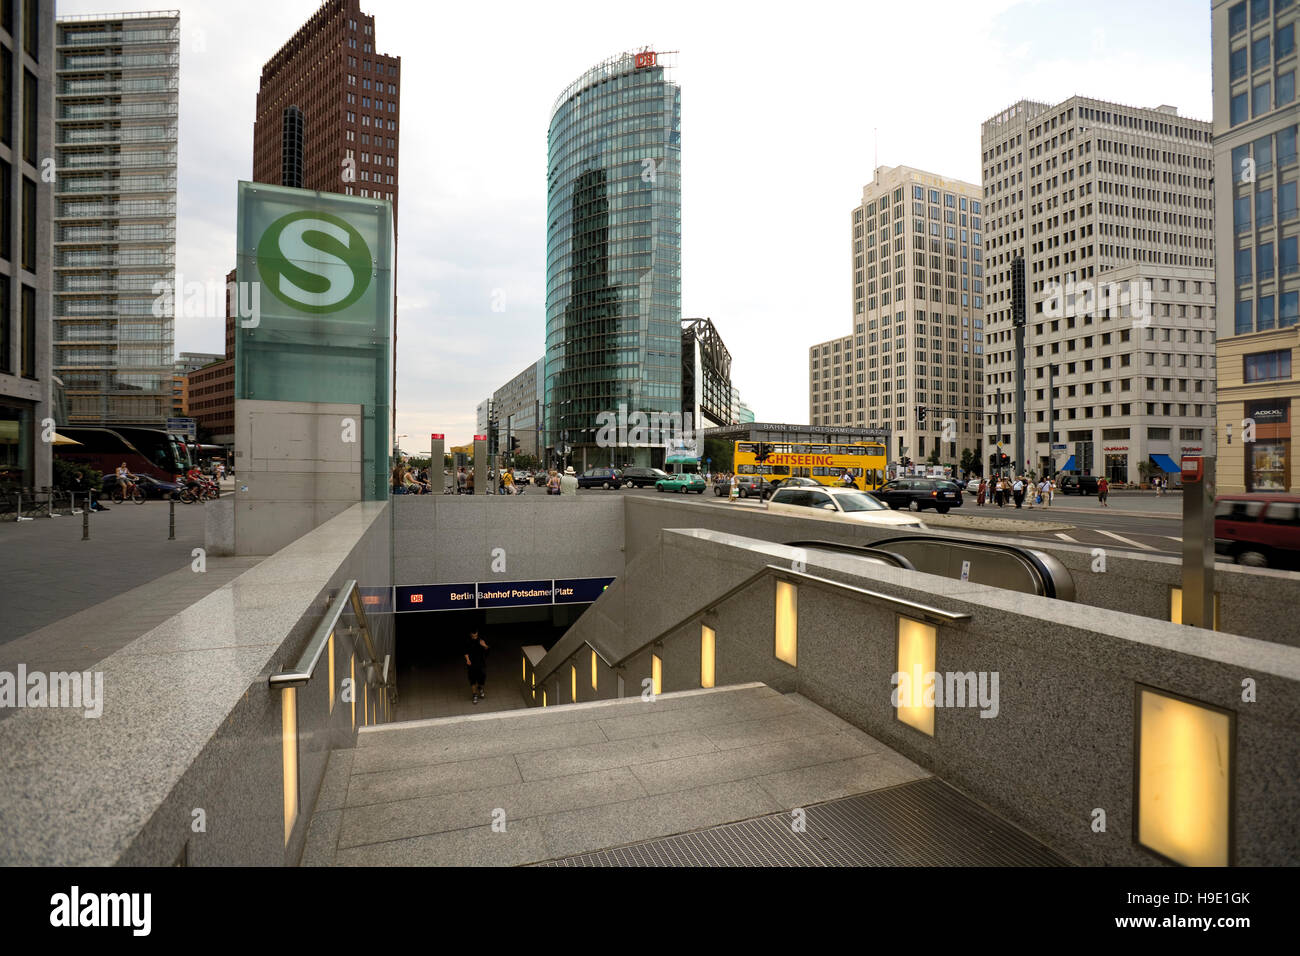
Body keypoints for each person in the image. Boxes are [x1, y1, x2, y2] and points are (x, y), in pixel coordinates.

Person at [465, 628, 490, 704]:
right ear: (470, 635)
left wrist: (485, 645)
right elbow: (465, 652)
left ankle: (480, 688)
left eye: (476, 636)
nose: (475, 637)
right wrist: (467, 659)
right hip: (471, 664)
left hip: (481, 663)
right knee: (472, 680)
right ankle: (474, 695)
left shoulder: (481, 640)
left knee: (481, 678)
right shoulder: (468, 642)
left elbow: (487, 650)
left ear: (477, 634)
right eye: (473, 636)